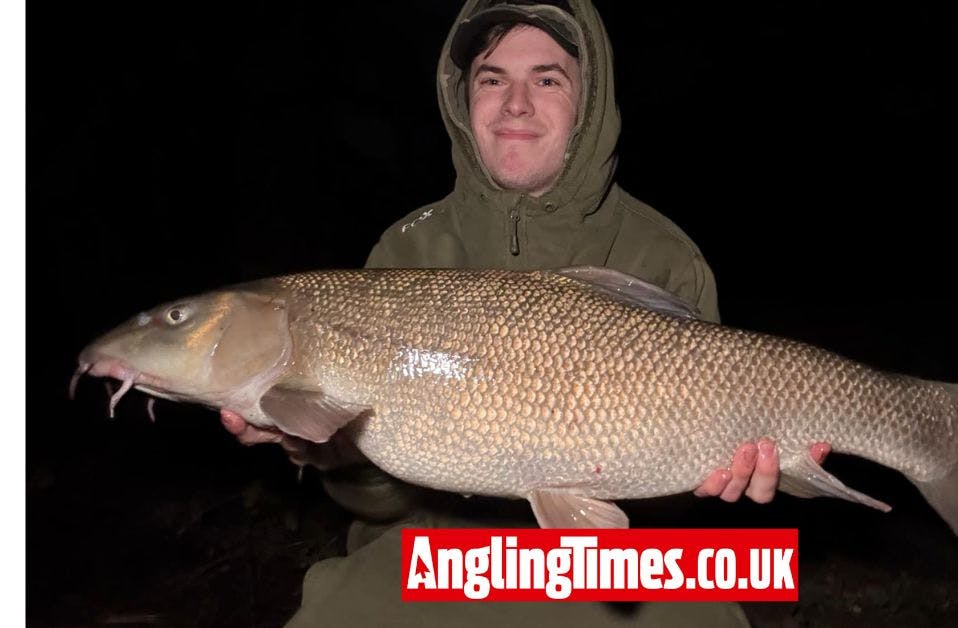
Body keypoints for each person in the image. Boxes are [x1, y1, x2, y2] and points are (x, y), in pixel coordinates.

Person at [220, 1, 806, 625]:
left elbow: (676, 514)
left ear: (590, 104)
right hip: (440, 554)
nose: (515, 103)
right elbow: (382, 505)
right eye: (492, 78)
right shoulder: (408, 251)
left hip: (625, 560)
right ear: (460, 98)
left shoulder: (661, 254)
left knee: (706, 607)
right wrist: (323, 451)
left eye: (547, 79)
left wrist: (719, 476)